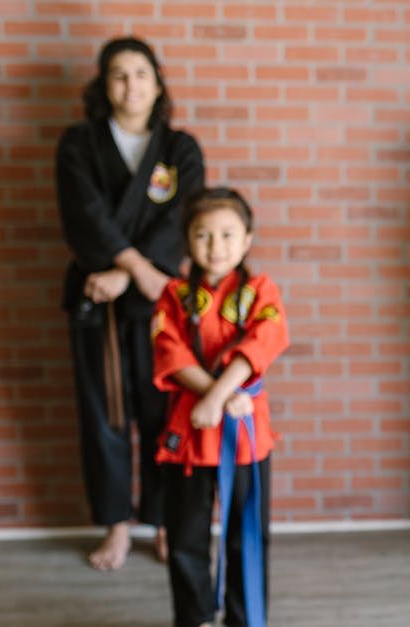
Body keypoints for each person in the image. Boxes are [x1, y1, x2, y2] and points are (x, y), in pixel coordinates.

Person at [56, 36, 205, 571]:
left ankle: (164, 524)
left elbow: (183, 217)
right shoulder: (78, 145)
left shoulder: (180, 149)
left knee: (164, 411)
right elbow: (83, 215)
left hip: (159, 302)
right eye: (118, 75)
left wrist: (137, 274)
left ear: (158, 82)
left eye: (141, 73)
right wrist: (132, 270)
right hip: (100, 300)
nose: (131, 85)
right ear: (103, 86)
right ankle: (117, 527)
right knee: (105, 415)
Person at [152, 187, 290, 627]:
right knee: (185, 539)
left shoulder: (260, 289)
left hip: (243, 430)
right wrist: (213, 396)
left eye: (229, 235)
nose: (216, 247)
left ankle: (244, 619)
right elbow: (170, 352)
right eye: (203, 235)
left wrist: (219, 395)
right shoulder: (173, 294)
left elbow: (262, 343)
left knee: (246, 536)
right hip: (191, 432)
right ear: (187, 241)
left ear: (248, 239)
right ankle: (192, 618)